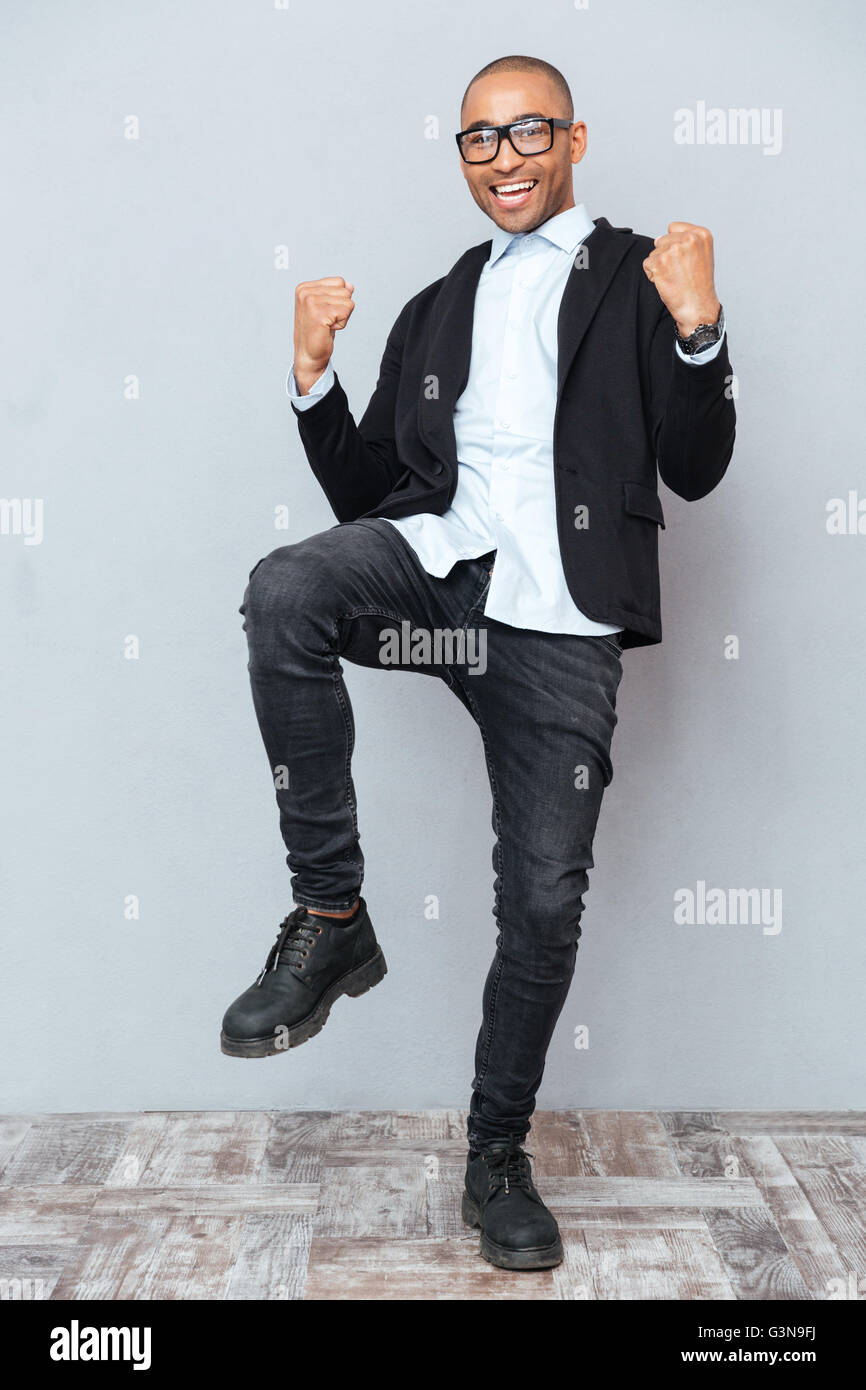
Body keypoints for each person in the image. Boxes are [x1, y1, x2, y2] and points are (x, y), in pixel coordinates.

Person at [220, 53, 736, 1271]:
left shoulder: (635, 276)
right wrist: (312, 381)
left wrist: (699, 327)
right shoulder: (437, 303)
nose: (503, 158)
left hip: (557, 623)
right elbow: (371, 498)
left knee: (543, 903)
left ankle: (494, 1156)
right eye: (478, 139)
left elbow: (696, 466)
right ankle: (331, 915)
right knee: (288, 591)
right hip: (439, 599)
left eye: (527, 132)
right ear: (461, 156)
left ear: (573, 140)